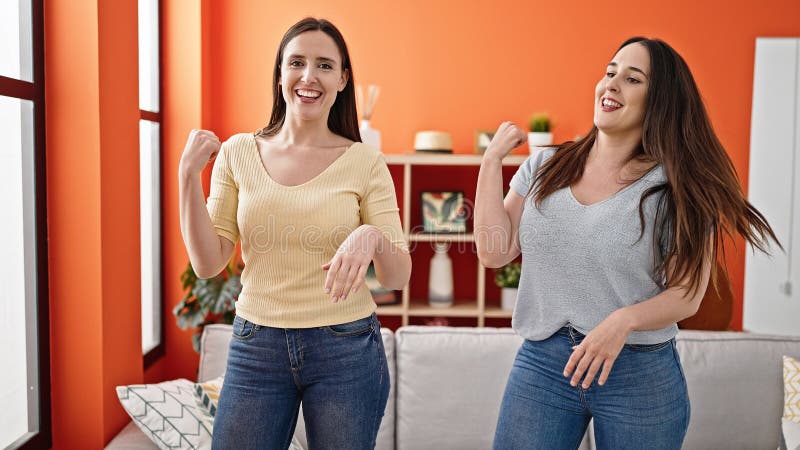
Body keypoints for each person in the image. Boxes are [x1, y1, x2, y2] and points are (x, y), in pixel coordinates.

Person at [475, 37, 778, 449]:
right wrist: (490, 164)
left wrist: (622, 321)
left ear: (659, 102)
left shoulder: (678, 187)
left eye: (632, 79)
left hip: (638, 371)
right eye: (610, 72)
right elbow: (494, 251)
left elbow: (686, 294)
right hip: (544, 365)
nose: (612, 84)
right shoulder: (545, 166)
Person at [178, 17, 410, 450]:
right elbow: (208, 263)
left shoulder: (365, 162)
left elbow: (396, 277)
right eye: (297, 62)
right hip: (256, 345)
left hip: (346, 347)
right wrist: (187, 176)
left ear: (343, 79)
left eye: (324, 65)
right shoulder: (237, 153)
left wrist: (372, 236)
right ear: (280, 73)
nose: (309, 76)